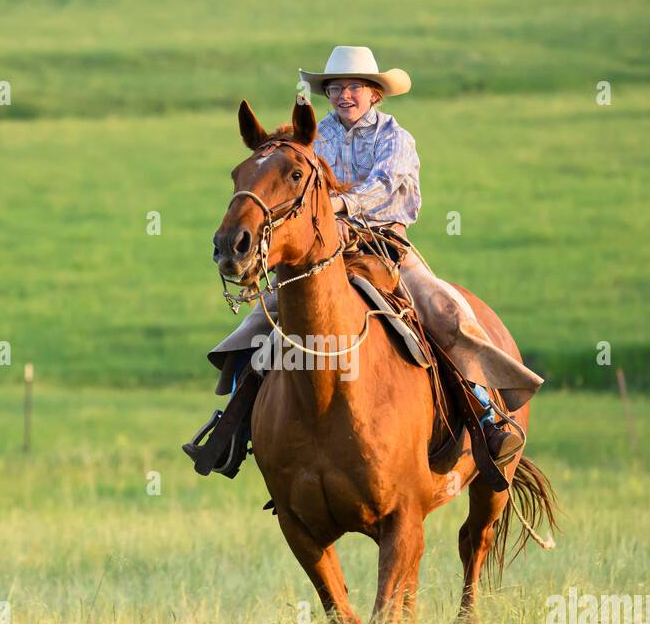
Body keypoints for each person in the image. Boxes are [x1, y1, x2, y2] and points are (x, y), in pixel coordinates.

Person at [184, 46, 544, 477]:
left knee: (441, 309)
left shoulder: (395, 138)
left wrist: (335, 205)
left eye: (354, 86)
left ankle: (486, 415)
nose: (344, 95)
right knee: (259, 326)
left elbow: (386, 186)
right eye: (335, 88)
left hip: (386, 248)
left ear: (375, 93)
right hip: (325, 255)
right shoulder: (313, 141)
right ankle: (233, 426)